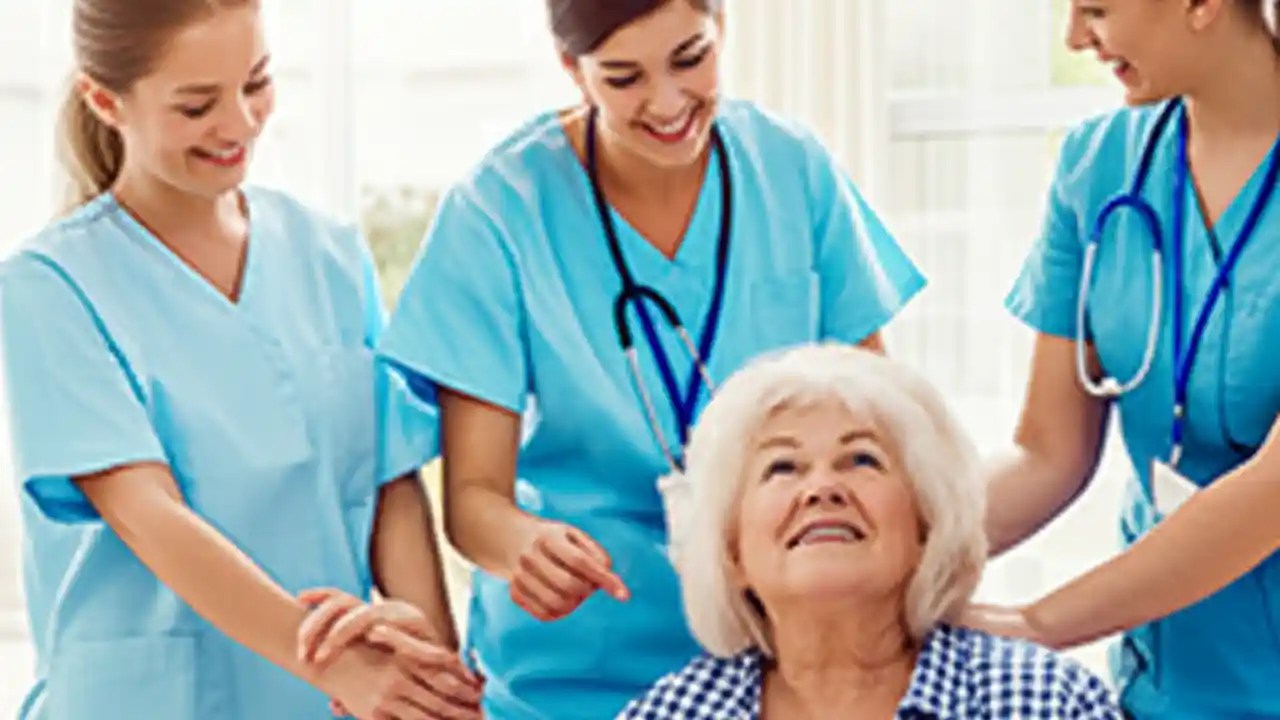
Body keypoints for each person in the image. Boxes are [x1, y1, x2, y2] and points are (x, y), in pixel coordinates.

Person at [310, 1, 924, 716]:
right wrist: (525, 547)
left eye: (690, 59)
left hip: (789, 655)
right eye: (624, 77)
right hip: (582, 665)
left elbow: (884, 423)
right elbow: (474, 503)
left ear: (720, 29)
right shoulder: (501, 211)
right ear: (572, 70)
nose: (667, 103)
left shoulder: (790, 170)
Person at [0, 1, 480, 718]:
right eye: (196, 106)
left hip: (327, 700)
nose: (240, 124)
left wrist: (430, 672)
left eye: (255, 83)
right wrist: (334, 664)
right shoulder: (51, 286)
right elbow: (145, 513)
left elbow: (390, 482)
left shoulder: (330, 255)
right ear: (106, 101)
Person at [964, 0, 1280, 717]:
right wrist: (896, 549)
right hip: (1159, 688)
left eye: (1096, 9)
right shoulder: (1096, 165)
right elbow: (1048, 452)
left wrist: (1033, 624)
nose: (1075, 38)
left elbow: (1274, 490)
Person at [618, 344, 1123, 719]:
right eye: (783, 468)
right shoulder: (667, 714)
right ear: (732, 554)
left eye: (861, 459)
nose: (821, 488)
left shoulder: (1045, 703)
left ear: (927, 528)